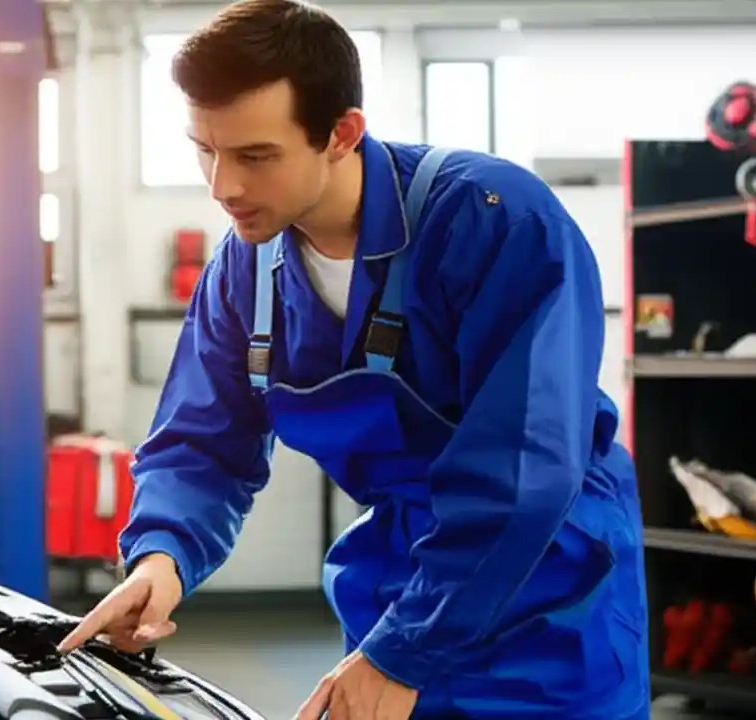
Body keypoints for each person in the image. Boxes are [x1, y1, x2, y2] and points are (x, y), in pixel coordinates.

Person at [57, 0, 652, 717]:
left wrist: (405, 653)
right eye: (205, 150)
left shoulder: (494, 221)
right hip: (395, 581)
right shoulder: (244, 271)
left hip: (547, 590)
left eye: (254, 156)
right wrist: (162, 558)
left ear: (342, 134)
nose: (223, 187)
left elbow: (523, 469)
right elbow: (201, 444)